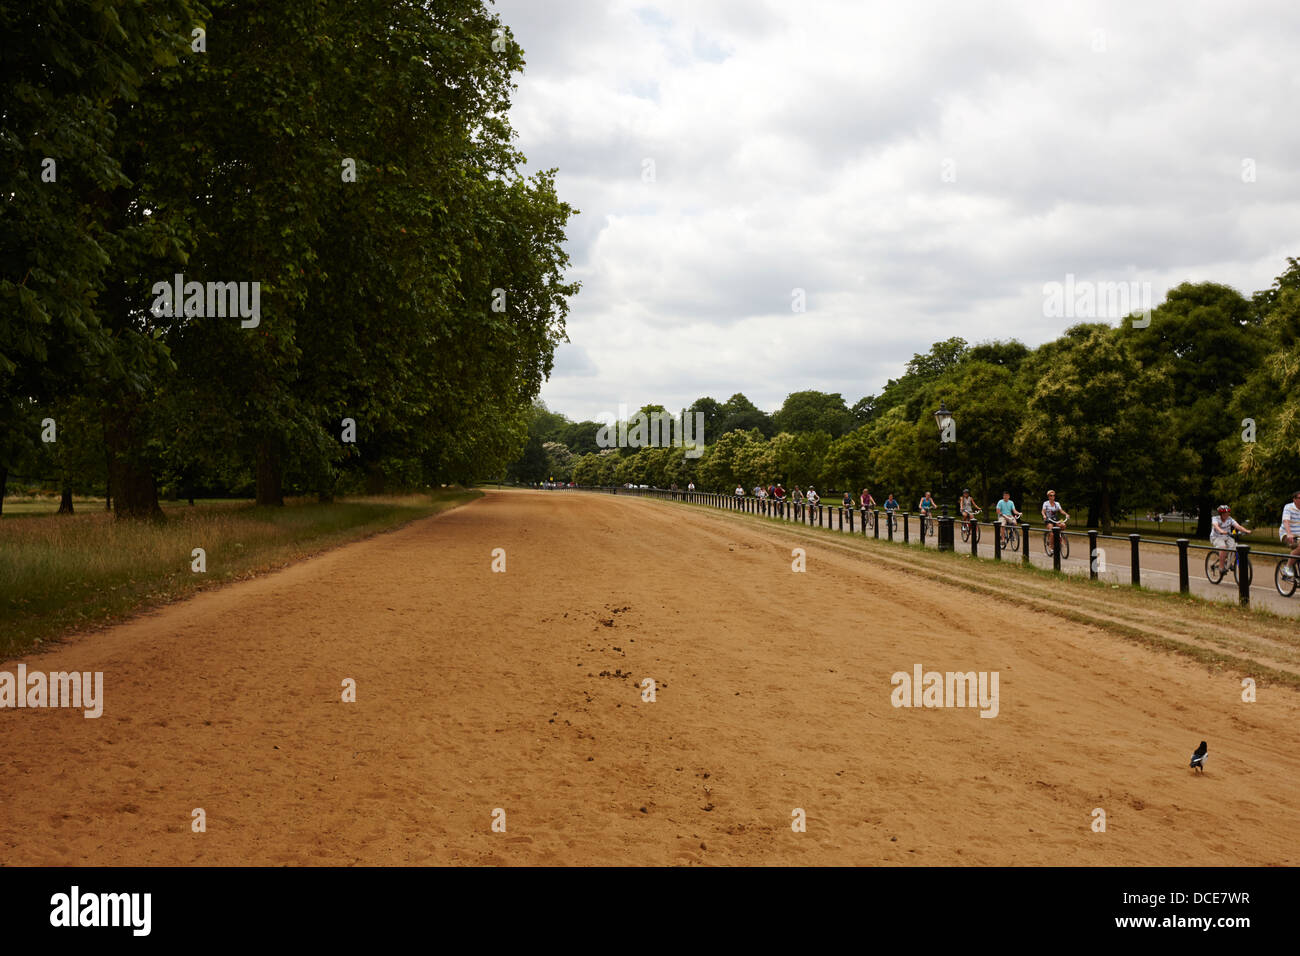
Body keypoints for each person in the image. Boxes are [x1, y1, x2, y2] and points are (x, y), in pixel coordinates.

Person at [1211, 505, 1250, 573]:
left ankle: (1229, 562)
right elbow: (1215, 525)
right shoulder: (1215, 518)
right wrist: (1221, 531)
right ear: (1220, 514)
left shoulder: (1230, 519)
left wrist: (1246, 531)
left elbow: (1238, 526)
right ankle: (1221, 567)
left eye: (1227, 513)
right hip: (1216, 537)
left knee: (1234, 547)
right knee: (1223, 547)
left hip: (1227, 536)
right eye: (1224, 513)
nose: (1226, 515)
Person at [1279, 491, 1300, 578]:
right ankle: (1287, 568)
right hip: (1287, 534)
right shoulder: (1288, 507)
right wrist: (1289, 533)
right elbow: (1286, 521)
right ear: (1294, 499)